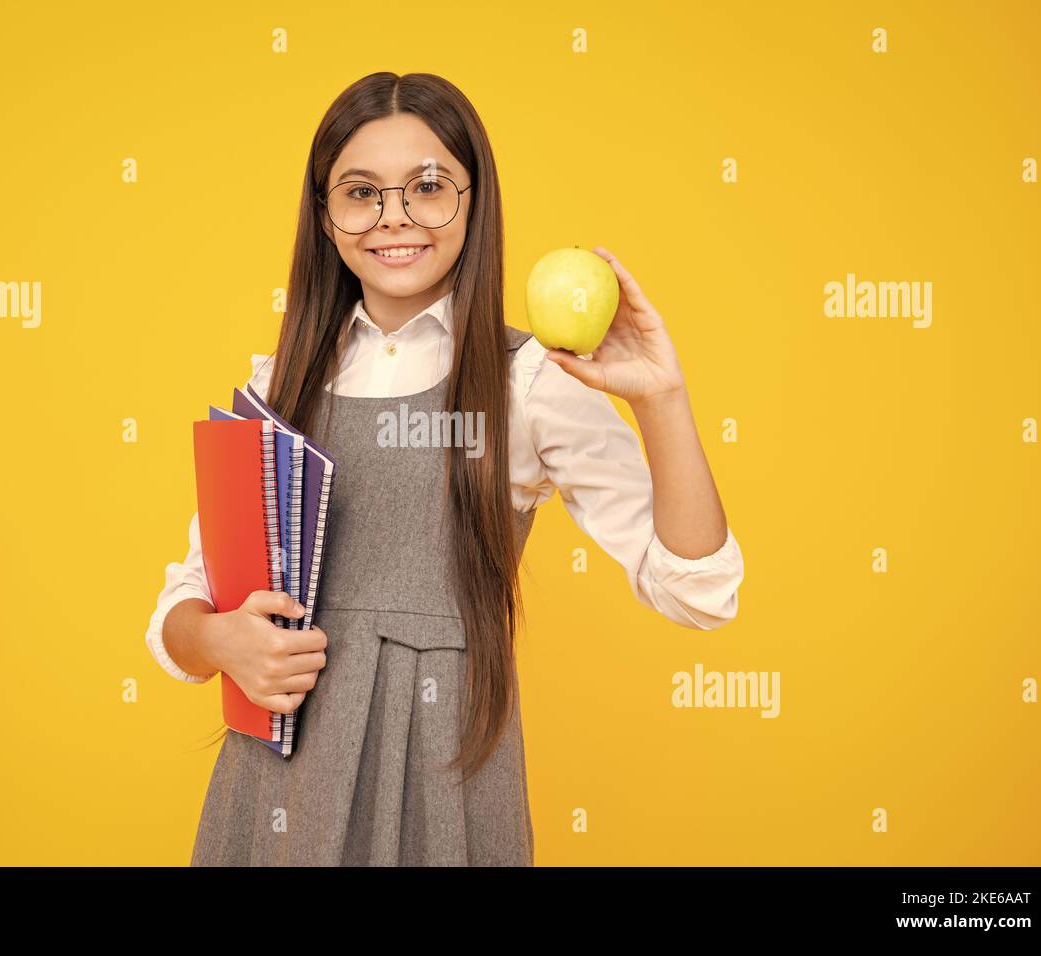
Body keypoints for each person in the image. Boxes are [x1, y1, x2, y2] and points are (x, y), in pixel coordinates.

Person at [144, 72, 744, 866]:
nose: (394, 218)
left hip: (441, 788)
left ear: (474, 198)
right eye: (361, 192)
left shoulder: (525, 381)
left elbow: (699, 592)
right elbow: (183, 608)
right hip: (274, 791)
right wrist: (220, 642)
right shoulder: (273, 384)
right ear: (325, 217)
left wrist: (662, 399)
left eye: (428, 187)